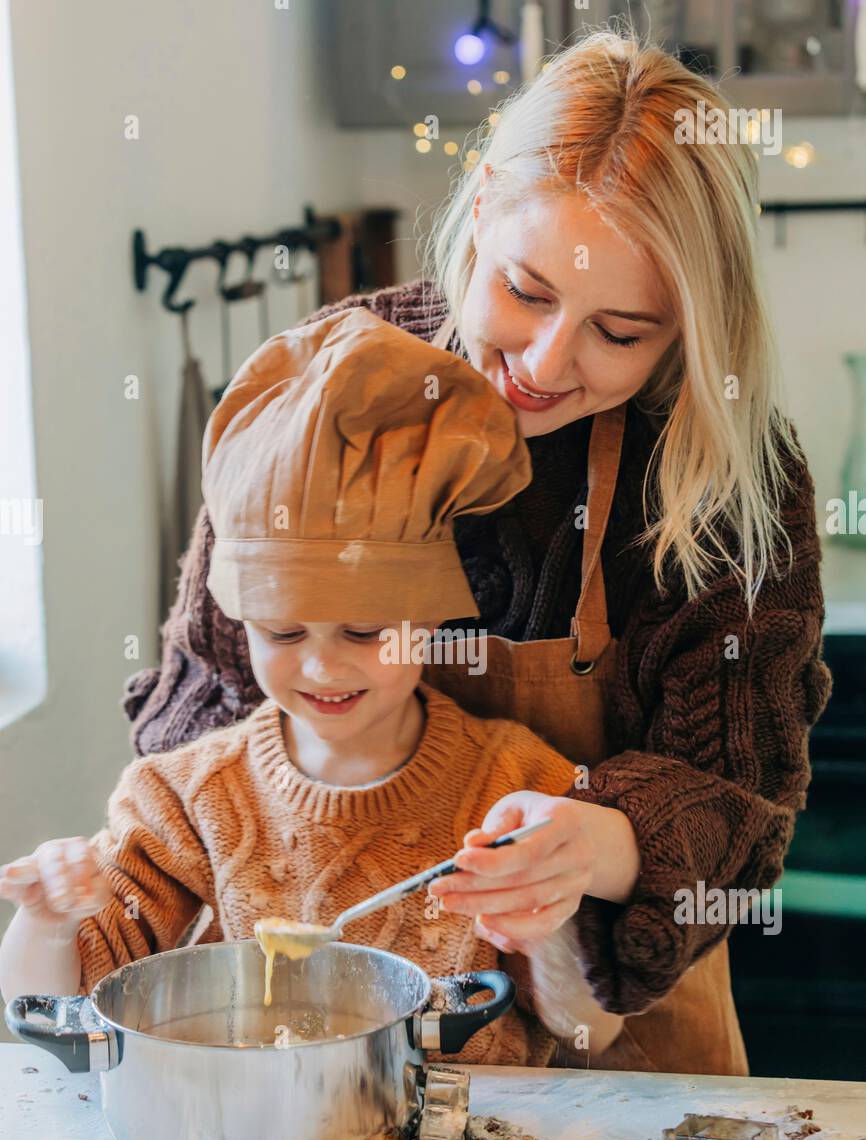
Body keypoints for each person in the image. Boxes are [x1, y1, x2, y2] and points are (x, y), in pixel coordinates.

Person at [121, 30, 832, 1075]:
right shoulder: (330, 385)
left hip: (624, 1052)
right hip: (330, 1030)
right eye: (528, 293)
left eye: (620, 332)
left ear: (685, 326)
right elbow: (205, 715)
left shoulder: (720, 468)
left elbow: (743, 803)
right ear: (487, 196)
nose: (548, 362)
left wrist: (597, 841)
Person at [0, 308, 634, 1067]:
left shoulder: (514, 784)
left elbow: (592, 1028)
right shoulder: (188, 798)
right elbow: (67, 1013)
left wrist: (548, 930)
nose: (323, 668)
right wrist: (46, 922)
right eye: (284, 633)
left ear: (431, 621)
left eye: (365, 634)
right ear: (242, 624)